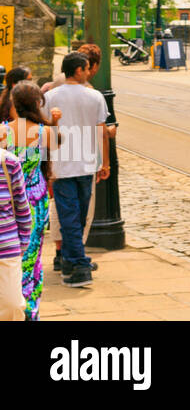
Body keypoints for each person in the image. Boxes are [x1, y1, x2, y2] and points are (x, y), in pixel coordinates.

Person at [44, 52, 109, 288]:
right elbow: (102, 131)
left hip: (62, 164)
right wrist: (105, 162)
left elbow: (45, 130)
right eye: (86, 68)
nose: (89, 71)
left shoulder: (50, 97)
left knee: (72, 217)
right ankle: (79, 265)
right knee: (77, 217)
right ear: (79, 70)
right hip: (86, 162)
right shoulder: (95, 96)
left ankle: (72, 261)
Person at [3, 82, 54, 319]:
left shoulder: (3, 132)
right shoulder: (45, 132)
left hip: (8, 198)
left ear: (13, 103)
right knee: (33, 255)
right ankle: (30, 309)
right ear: (36, 103)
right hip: (34, 198)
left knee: (11, 255)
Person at [0, 144, 31, 320]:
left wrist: (21, 246)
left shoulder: (8, 162)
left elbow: (22, 209)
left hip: (7, 249)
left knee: (11, 306)